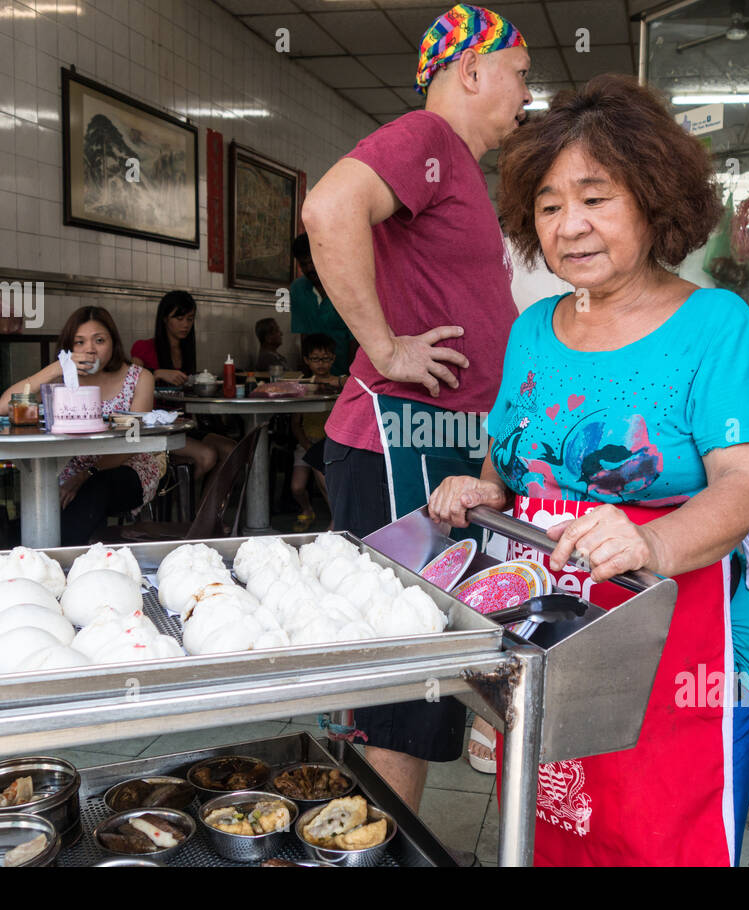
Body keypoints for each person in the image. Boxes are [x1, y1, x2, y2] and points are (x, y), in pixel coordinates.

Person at [429, 74, 749, 866]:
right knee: (552, 823)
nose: (570, 225)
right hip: (549, 634)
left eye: (596, 197)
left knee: (660, 836)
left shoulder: (714, 326)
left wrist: (650, 545)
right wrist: (480, 490)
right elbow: (510, 467)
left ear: (653, 200)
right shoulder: (531, 329)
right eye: (550, 206)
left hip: (679, 637)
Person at [300, 2, 530, 813]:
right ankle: (367, 842)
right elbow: (327, 209)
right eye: (520, 74)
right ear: (472, 69)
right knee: (403, 682)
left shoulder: (460, 165)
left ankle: (367, 835)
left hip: (439, 444)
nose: (525, 96)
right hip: (400, 440)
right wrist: (389, 346)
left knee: (418, 673)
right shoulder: (428, 138)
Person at [0, 306, 162, 545]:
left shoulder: (139, 378)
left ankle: (60, 564)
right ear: (70, 349)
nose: (90, 350)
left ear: (113, 342)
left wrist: (86, 475)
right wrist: (56, 368)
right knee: (41, 501)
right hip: (71, 469)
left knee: (93, 492)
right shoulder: (64, 379)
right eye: (80, 342)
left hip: (128, 465)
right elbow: (3, 406)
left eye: (99, 340)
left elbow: (131, 439)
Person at [130, 290, 233, 483]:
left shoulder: (185, 350)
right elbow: (130, 382)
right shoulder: (144, 347)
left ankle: (204, 508)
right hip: (153, 427)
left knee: (231, 449)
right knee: (207, 456)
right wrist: (158, 373)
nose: (185, 324)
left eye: (190, 319)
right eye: (179, 318)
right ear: (164, 318)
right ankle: (180, 499)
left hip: (182, 424)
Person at [289, 334, 342, 531]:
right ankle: (308, 510)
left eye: (326, 358)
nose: (321, 364)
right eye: (316, 359)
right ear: (306, 360)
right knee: (297, 487)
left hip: (330, 443)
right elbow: (296, 424)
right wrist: (307, 445)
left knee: (327, 486)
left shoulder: (339, 384)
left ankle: (336, 520)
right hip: (307, 442)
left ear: (333, 359)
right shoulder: (301, 387)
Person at [291, 232, 355, 377]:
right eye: (303, 264)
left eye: (312, 261)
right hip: (315, 374)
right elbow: (304, 334)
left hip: (345, 370)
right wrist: (308, 373)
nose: (309, 269)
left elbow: (355, 338)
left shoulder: (346, 286)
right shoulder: (297, 289)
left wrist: (351, 376)